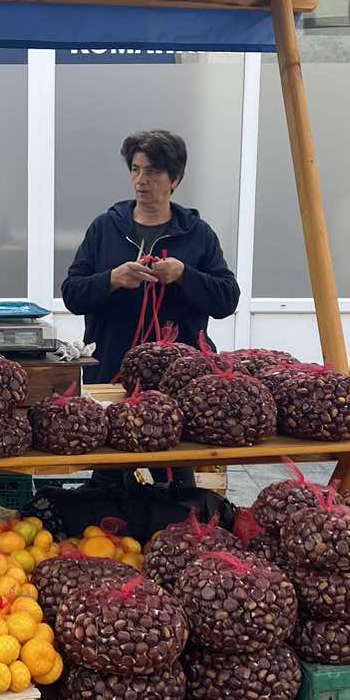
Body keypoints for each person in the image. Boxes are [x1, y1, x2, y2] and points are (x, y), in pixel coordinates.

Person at [61, 129, 240, 488]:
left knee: (175, 481)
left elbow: (227, 299)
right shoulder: (105, 229)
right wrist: (111, 279)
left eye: (153, 172)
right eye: (136, 170)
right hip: (112, 373)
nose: (141, 181)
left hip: (176, 380)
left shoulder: (197, 234)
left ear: (174, 179)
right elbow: (72, 293)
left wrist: (183, 275)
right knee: (109, 478)